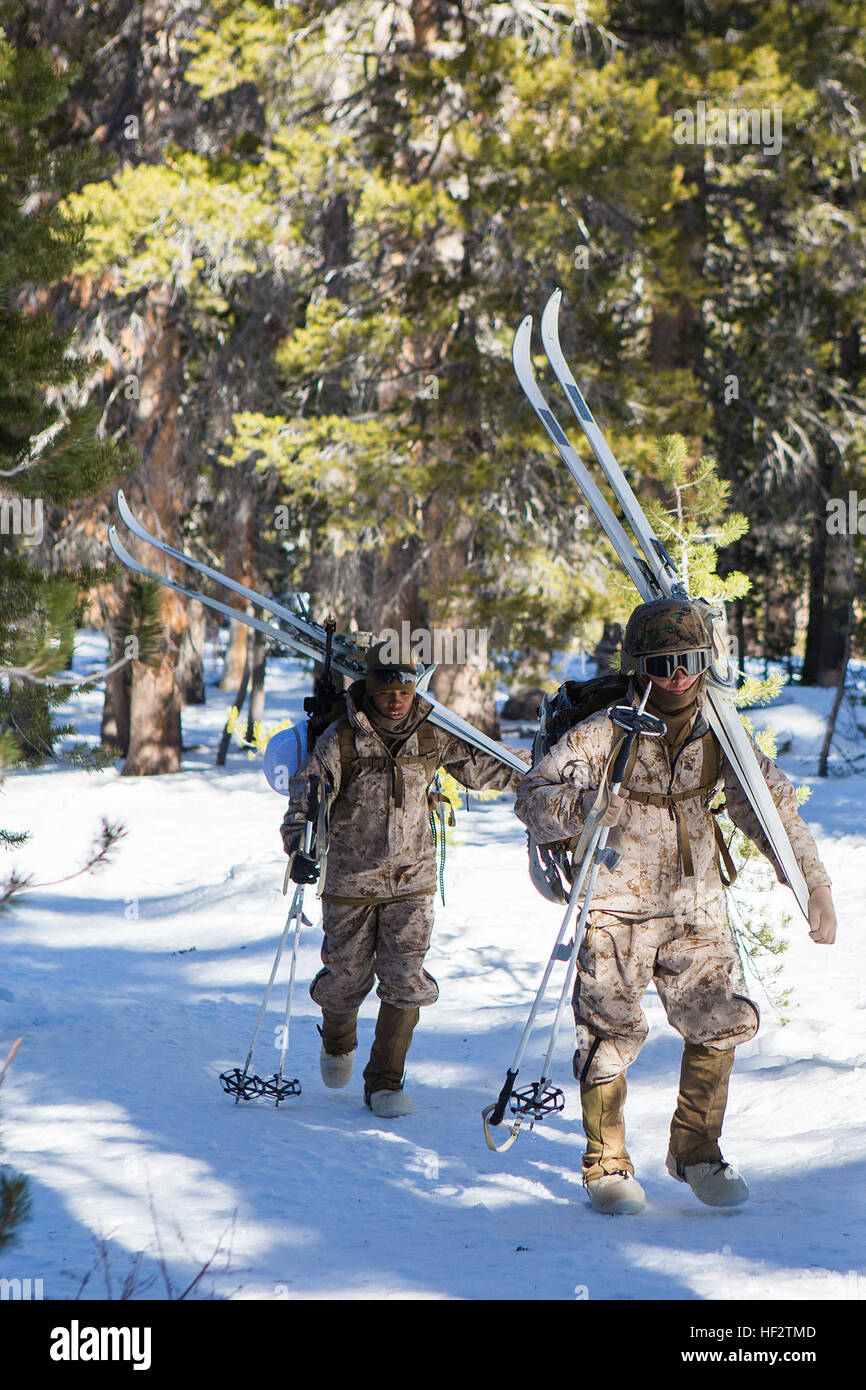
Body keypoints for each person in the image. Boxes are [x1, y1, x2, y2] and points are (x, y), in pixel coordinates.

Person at [515, 598, 837, 1215]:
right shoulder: (606, 729)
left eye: (689, 661)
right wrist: (579, 811)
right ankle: (606, 1164)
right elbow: (532, 796)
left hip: (695, 906)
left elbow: (770, 810)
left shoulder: (722, 732)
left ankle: (695, 1150)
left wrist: (812, 883)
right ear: (640, 666)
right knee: (608, 1032)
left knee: (720, 1018)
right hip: (614, 906)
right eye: (662, 664)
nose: (678, 676)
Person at [281, 638, 527, 1118]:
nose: (396, 698)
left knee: (404, 978)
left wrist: (545, 770)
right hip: (351, 881)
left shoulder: (434, 733)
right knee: (346, 978)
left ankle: (385, 1083)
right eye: (386, 689)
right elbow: (307, 797)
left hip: (412, 880)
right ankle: (338, 1041)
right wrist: (300, 846)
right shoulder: (342, 739)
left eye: (405, 688)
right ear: (370, 688)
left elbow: (485, 767)